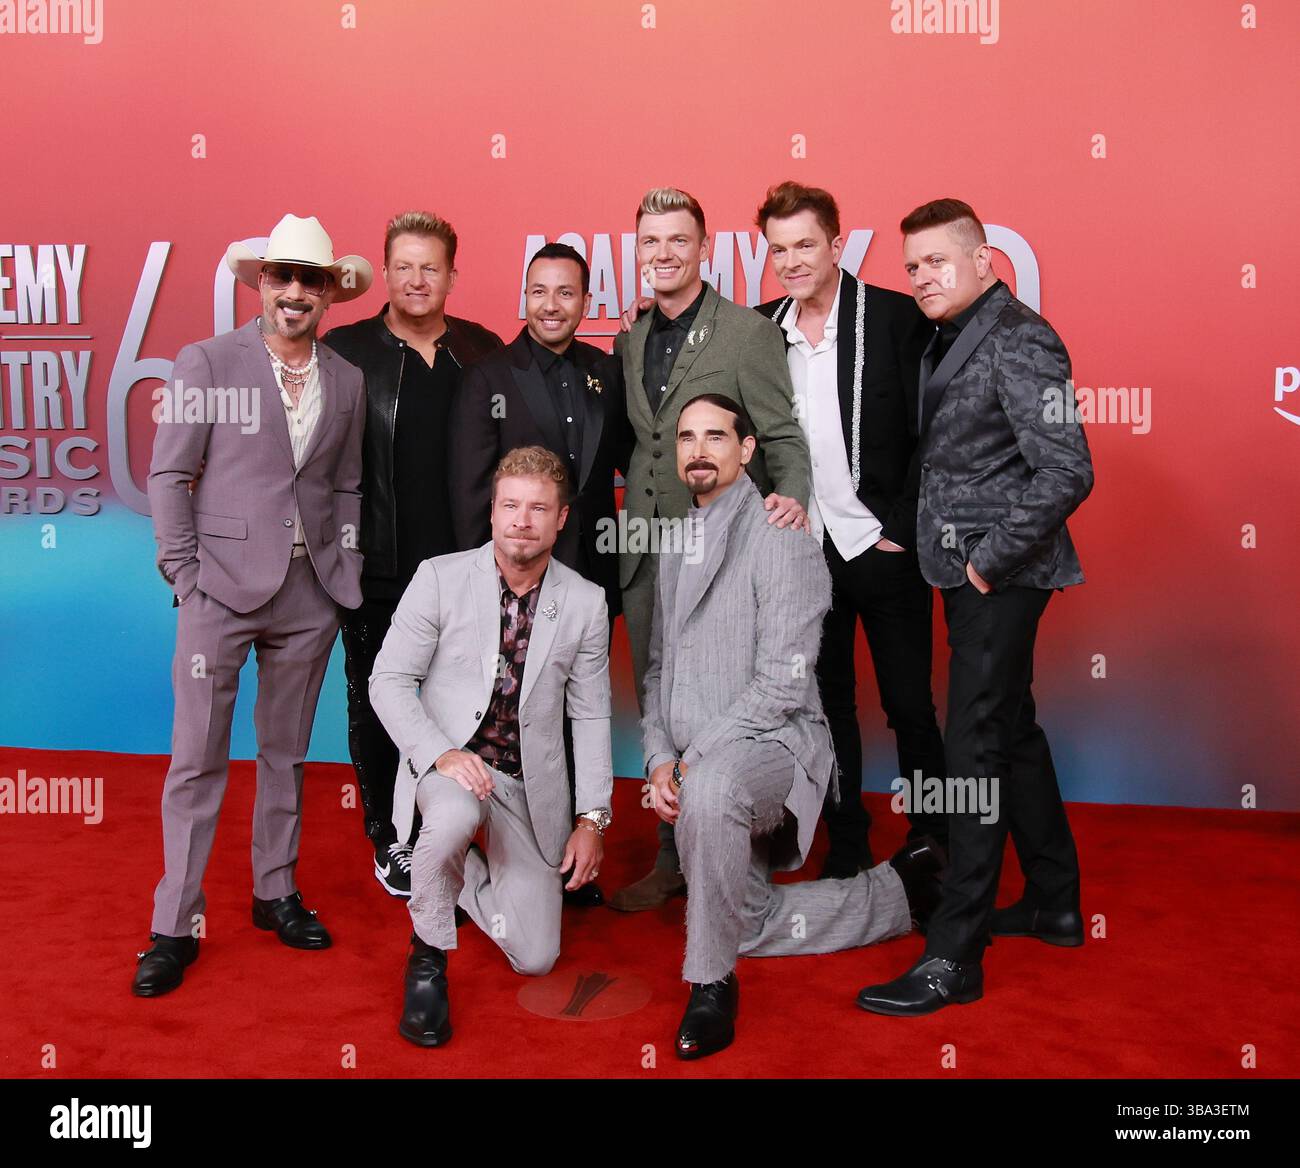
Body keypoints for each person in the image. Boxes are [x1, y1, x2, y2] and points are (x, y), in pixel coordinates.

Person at [643, 394, 945, 1059]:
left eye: (716, 436)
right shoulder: (673, 540)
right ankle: (901, 890)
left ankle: (711, 982)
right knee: (743, 919)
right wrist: (659, 757)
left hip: (778, 748)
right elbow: (659, 668)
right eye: (687, 437)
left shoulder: (783, 536)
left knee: (714, 789)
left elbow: (783, 686)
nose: (699, 449)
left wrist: (692, 763)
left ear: (747, 449)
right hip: (700, 762)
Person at [857, 199, 1093, 1017]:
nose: (921, 276)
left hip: (1002, 576)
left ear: (984, 259)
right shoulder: (945, 337)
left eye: (937, 262)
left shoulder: (1025, 339)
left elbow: (1069, 469)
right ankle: (1057, 903)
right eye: (911, 265)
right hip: (957, 571)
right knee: (1011, 730)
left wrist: (987, 564)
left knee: (974, 752)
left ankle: (954, 956)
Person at [133, 214, 369, 996]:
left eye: (311, 278)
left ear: (330, 291)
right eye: (282, 276)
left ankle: (276, 893)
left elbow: (345, 486)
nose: (296, 290)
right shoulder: (207, 362)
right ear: (259, 284)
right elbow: (170, 475)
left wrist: (345, 568)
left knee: (286, 757)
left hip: (311, 597)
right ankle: (175, 921)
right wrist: (183, 575)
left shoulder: (347, 379)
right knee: (197, 759)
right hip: (219, 595)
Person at [369, 446, 614, 1047]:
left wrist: (593, 819)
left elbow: (590, 716)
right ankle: (427, 959)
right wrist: (439, 753)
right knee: (451, 816)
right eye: (510, 505)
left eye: (538, 508)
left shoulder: (585, 603)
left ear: (561, 519)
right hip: (451, 767)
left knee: (536, 957)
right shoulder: (439, 577)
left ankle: (449, 871)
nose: (521, 520)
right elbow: (388, 680)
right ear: (493, 510)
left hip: (529, 788)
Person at [611, 186, 811, 913]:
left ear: (704, 249)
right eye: (649, 243)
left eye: (676, 241)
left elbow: (781, 434)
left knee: (722, 700)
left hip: (722, 547)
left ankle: (730, 855)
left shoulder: (746, 332)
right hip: (644, 545)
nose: (662, 255)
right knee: (662, 697)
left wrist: (790, 508)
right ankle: (671, 857)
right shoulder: (629, 338)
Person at [755, 181, 948, 876]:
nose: (793, 261)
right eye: (779, 249)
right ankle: (848, 844)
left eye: (805, 244)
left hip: (882, 545)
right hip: (804, 554)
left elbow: (937, 432)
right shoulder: (760, 328)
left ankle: (933, 841)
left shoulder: (897, 319)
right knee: (828, 708)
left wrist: (902, 529)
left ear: (838, 244)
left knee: (908, 705)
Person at [324, 211, 502, 897]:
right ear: (386, 271)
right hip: (378, 563)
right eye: (404, 266)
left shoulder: (482, 350)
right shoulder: (345, 350)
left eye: (431, 267)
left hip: (465, 567)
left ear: (453, 275)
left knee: (460, 702)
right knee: (379, 701)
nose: (417, 279)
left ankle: (448, 831)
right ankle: (388, 838)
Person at [447, 242, 630, 907]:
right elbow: (470, 490)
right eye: (539, 291)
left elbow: (636, 468)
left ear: (587, 303)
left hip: (589, 576)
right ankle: (486, 857)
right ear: (524, 298)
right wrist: (484, 587)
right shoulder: (489, 377)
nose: (552, 304)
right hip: (511, 580)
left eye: (566, 293)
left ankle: (571, 860)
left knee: (577, 714)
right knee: (506, 717)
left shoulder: (607, 373)